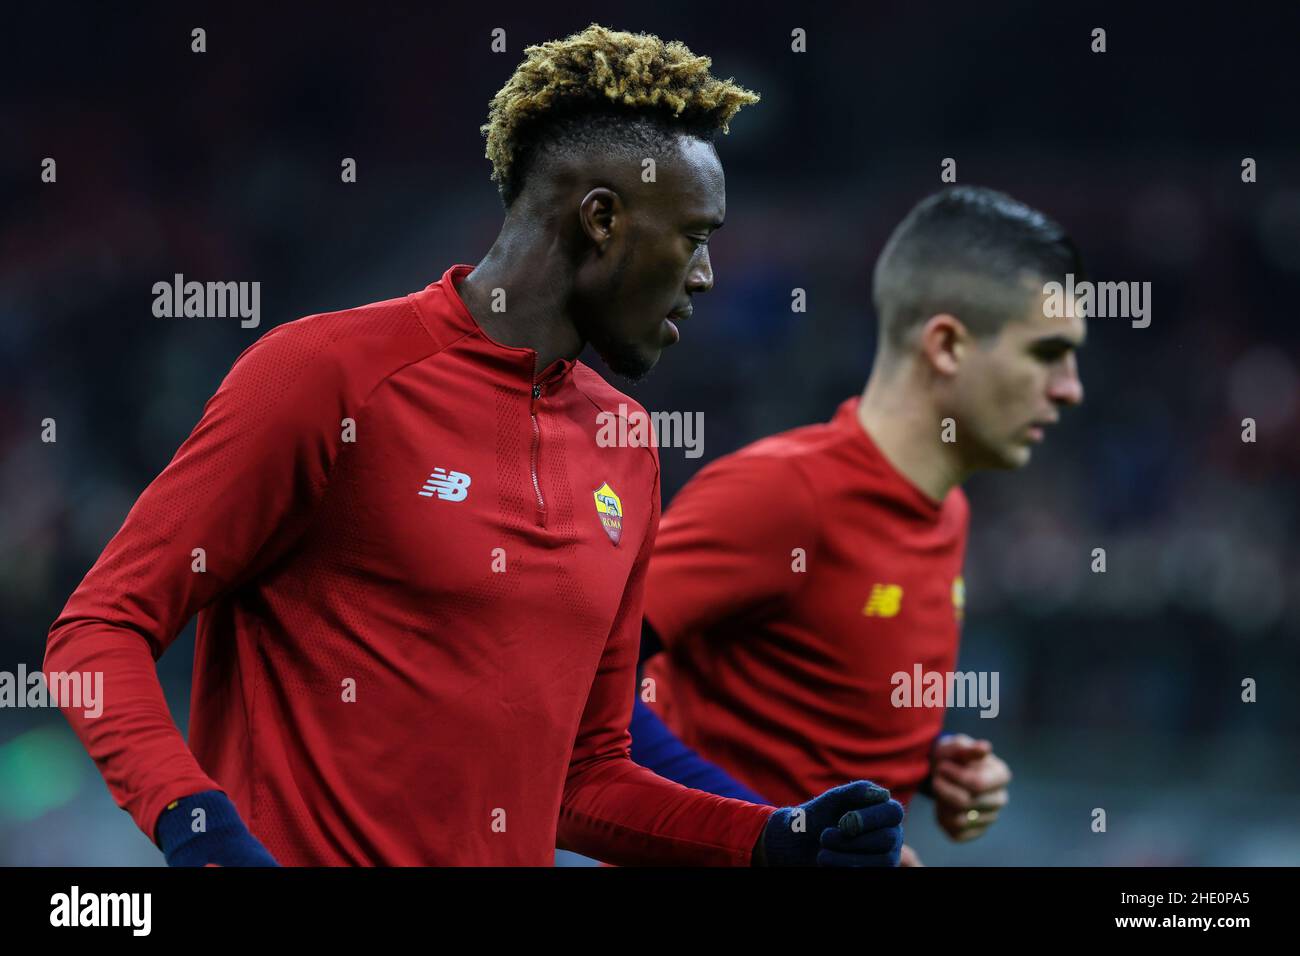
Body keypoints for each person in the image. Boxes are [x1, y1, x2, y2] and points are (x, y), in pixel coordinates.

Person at [45, 24, 902, 867]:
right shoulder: (324, 374)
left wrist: (766, 840)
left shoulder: (627, 443)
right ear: (601, 218)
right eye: (696, 237)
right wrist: (199, 828)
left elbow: (583, 777)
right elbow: (98, 628)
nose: (708, 276)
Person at [630, 186, 1087, 859]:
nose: (1070, 388)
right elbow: (587, 685)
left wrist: (926, 764)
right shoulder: (783, 495)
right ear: (948, 345)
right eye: (1047, 354)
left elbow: (803, 698)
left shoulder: (947, 510)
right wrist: (788, 840)